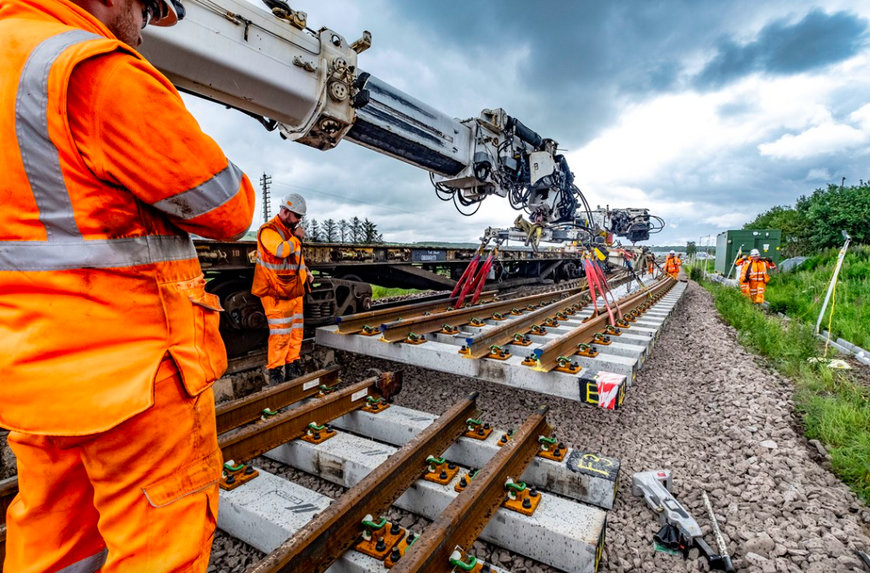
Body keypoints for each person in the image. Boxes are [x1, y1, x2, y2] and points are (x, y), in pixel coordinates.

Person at [0, 0, 256, 570]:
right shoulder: (88, 67)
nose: (141, 27)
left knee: (57, 549)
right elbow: (226, 207)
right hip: (134, 379)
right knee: (160, 544)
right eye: (146, 9)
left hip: (34, 376)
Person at [253, 193, 312, 385]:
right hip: (276, 292)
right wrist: (296, 239)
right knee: (280, 333)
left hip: (293, 290)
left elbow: (295, 259)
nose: (298, 221)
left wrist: (307, 272)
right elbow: (281, 251)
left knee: (295, 332)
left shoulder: (288, 232)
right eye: (297, 217)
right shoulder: (268, 230)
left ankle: (293, 363)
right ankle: (276, 372)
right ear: (286, 212)